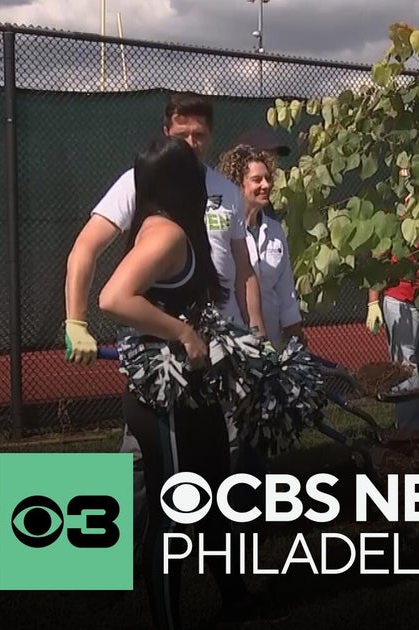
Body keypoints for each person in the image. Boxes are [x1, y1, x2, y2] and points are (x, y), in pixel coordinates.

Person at [63, 92, 267, 563]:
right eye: (183, 134)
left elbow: (243, 268)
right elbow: (86, 250)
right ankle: (102, 558)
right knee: (140, 460)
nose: (193, 143)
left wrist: (254, 332)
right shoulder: (143, 182)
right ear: (167, 131)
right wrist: (75, 321)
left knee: (222, 455)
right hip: (162, 357)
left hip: (217, 349)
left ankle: (217, 565)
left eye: (201, 135)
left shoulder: (223, 190)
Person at [97, 135, 284, 629]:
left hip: (192, 389)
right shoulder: (166, 234)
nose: (206, 181)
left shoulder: (174, 227)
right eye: (195, 174)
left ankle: (233, 594)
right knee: (173, 513)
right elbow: (114, 297)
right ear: (180, 183)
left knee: (213, 495)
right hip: (167, 395)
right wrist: (182, 333)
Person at [366, 167, 419, 435]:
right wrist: (373, 302)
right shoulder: (394, 221)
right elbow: (377, 263)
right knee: (406, 364)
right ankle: (408, 426)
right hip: (401, 301)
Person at [217, 143, 304, 349]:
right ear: (238, 184)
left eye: (267, 178)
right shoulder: (222, 231)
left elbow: (286, 292)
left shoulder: (275, 230)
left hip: (271, 344)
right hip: (232, 343)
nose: (266, 185)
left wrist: (295, 335)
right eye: (257, 180)